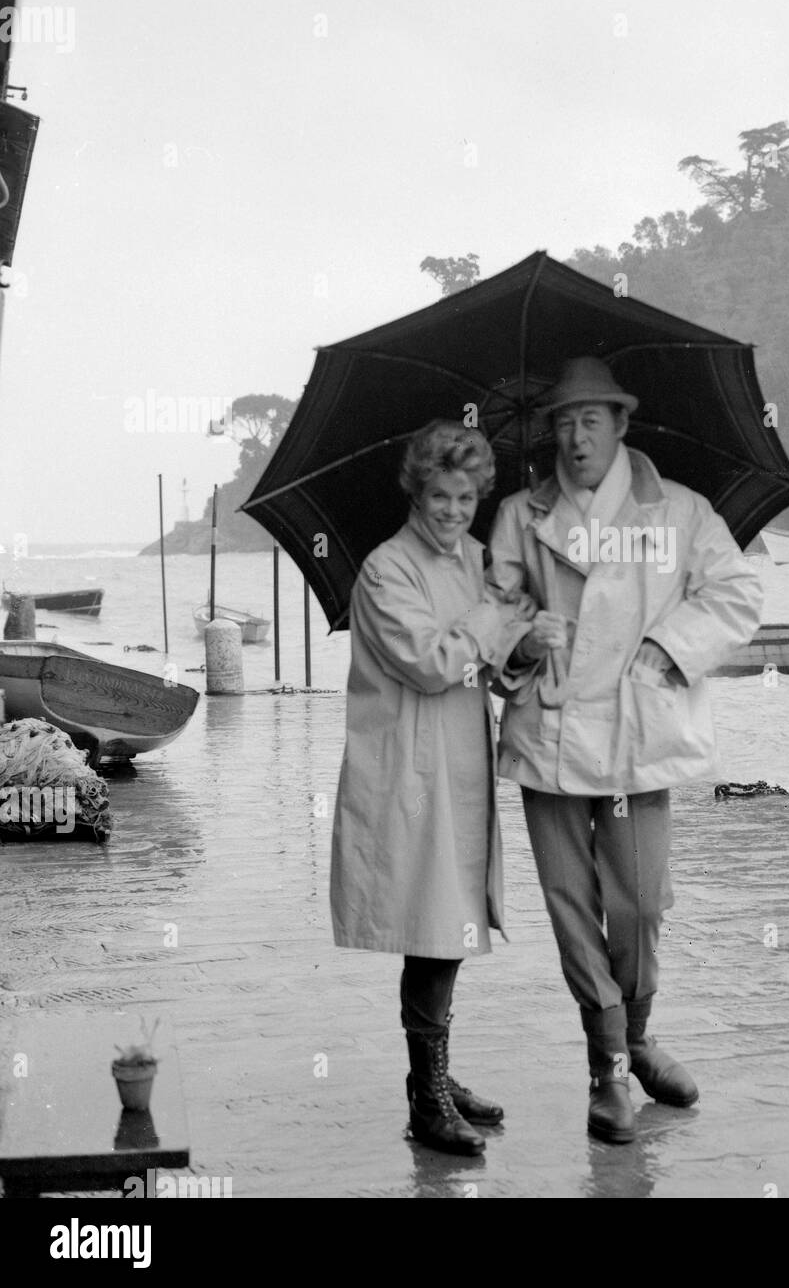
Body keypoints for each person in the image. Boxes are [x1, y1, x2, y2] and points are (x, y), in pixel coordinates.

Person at [488, 355, 764, 1143]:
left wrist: (671, 645)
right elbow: (491, 608)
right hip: (550, 729)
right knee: (571, 905)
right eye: (564, 424)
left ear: (620, 424)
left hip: (639, 730)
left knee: (640, 903)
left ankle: (637, 1033)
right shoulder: (519, 514)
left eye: (590, 421)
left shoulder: (678, 513)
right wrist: (519, 636)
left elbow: (737, 593)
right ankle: (608, 1069)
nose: (575, 438)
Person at [330, 419, 534, 1157]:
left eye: (467, 496)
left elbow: (499, 661)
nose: (453, 510)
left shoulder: (481, 558)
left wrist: (521, 644)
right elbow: (429, 661)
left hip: (463, 761)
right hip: (409, 769)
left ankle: (440, 1080)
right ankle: (427, 1097)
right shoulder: (386, 571)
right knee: (431, 924)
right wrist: (495, 619)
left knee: (451, 923)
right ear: (416, 491)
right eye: (440, 495)